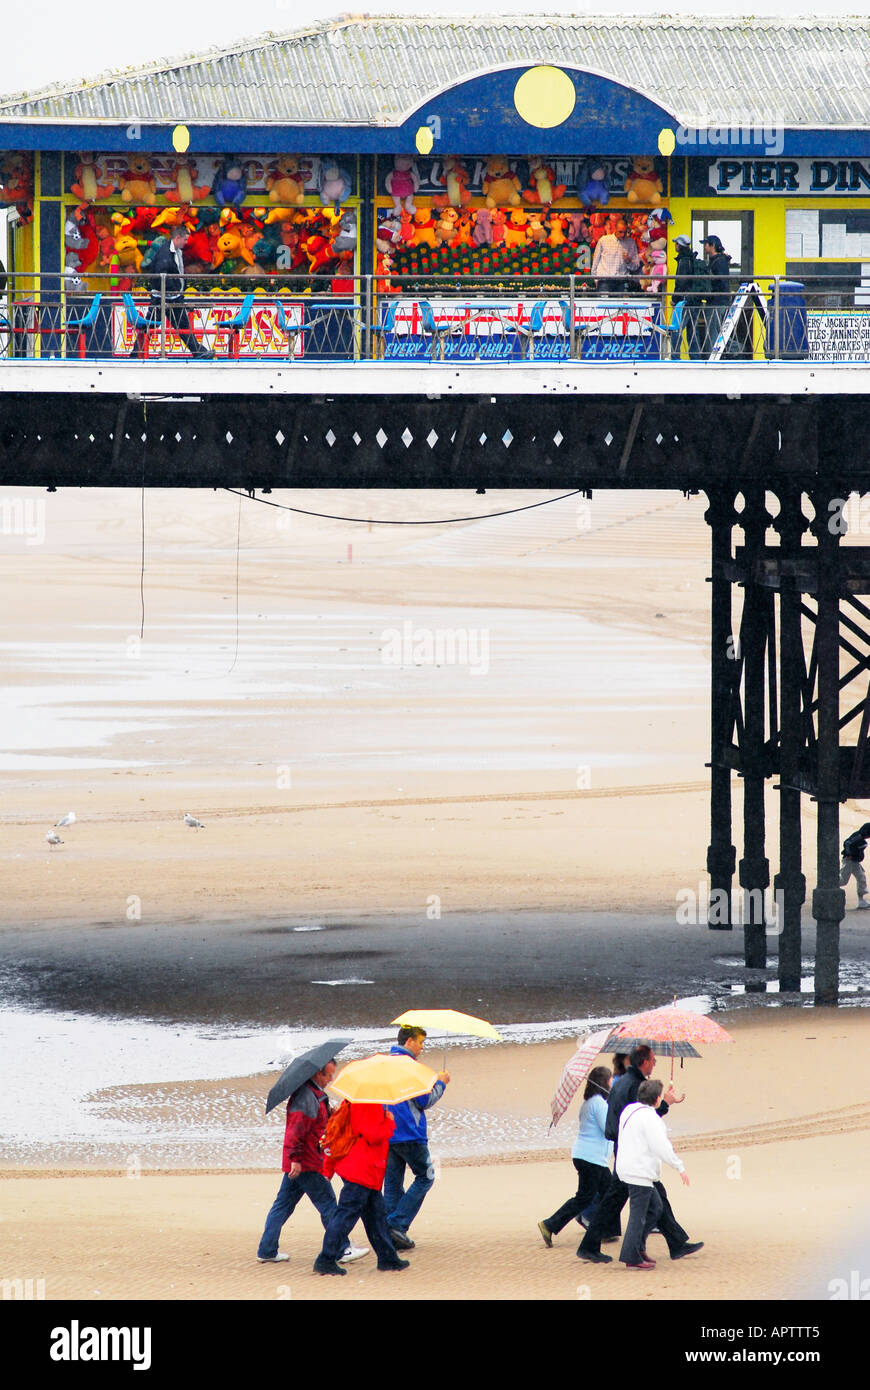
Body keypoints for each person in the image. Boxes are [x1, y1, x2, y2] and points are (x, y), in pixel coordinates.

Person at [577, 1044, 703, 1264]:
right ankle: (661, 1246)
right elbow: (644, 1120)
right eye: (653, 1060)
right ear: (643, 1062)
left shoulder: (624, 1080)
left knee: (635, 1200)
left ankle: (675, 1243)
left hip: (625, 1150)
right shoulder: (634, 1084)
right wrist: (666, 1104)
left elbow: (636, 1119)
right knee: (641, 1200)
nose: (655, 1063)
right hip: (631, 1153)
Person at [256, 1058, 368, 1265]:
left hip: (301, 1161)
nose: (330, 1079)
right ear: (317, 1073)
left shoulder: (314, 1095)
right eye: (328, 1075)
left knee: (283, 1204)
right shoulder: (306, 1097)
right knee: (328, 1204)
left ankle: (267, 1250)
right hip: (306, 1162)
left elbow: (314, 1124)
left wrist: (329, 1113)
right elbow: (295, 1132)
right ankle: (342, 1248)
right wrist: (296, 1160)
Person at [313, 1101, 409, 1275]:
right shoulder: (367, 1102)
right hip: (361, 1169)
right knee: (345, 1216)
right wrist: (389, 1121)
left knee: (376, 1216)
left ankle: (388, 1258)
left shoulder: (358, 1100)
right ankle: (325, 1259)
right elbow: (373, 1134)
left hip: (365, 1169)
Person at [383, 1026, 449, 1249]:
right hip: (409, 1132)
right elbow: (424, 1101)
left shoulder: (384, 1064)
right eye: (420, 1042)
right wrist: (440, 1083)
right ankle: (395, 1224)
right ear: (409, 1041)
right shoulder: (412, 1067)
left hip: (388, 1131)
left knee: (392, 1184)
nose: (422, 1047)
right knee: (427, 1176)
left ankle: (390, 1233)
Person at [616, 1078, 691, 1270]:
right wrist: (679, 1167)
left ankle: (638, 1247)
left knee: (655, 1208)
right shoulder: (651, 1119)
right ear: (658, 1099)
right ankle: (631, 1254)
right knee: (638, 1215)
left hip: (628, 1168)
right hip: (638, 1171)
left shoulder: (630, 1109)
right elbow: (661, 1147)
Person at [538, 1065, 615, 1246]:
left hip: (590, 1157)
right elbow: (608, 1129)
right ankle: (550, 1225)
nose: (612, 1083)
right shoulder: (598, 1103)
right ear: (604, 1082)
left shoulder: (592, 1103)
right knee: (589, 1196)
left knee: (605, 1193)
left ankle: (602, 1230)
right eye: (610, 1080)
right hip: (591, 1158)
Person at [134, 224, 213, 359]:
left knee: (172, 326)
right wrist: (174, 289)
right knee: (156, 327)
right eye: (185, 239)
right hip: (163, 297)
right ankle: (198, 352)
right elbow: (160, 276)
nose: (186, 242)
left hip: (171, 296)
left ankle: (136, 353)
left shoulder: (175, 251)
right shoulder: (166, 253)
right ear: (177, 237)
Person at [671, 233, 706, 360]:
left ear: (679, 245)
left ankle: (675, 356)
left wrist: (675, 299)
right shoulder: (692, 258)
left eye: (676, 243)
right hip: (694, 300)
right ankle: (695, 356)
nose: (675, 246)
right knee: (693, 330)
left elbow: (680, 282)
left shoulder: (683, 261)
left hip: (685, 300)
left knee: (677, 329)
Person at [701, 234, 733, 355]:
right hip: (716, 300)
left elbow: (722, 281)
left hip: (717, 301)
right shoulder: (718, 260)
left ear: (712, 245)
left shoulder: (719, 262)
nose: (704, 247)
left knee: (713, 331)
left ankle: (713, 356)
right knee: (716, 330)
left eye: (706, 244)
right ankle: (730, 350)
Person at [840, 823, 870, 908]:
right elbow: (847, 843)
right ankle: (828, 884)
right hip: (849, 861)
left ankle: (861, 901)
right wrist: (850, 854)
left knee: (861, 877)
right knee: (843, 880)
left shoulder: (860, 837)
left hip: (855, 862)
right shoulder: (858, 838)